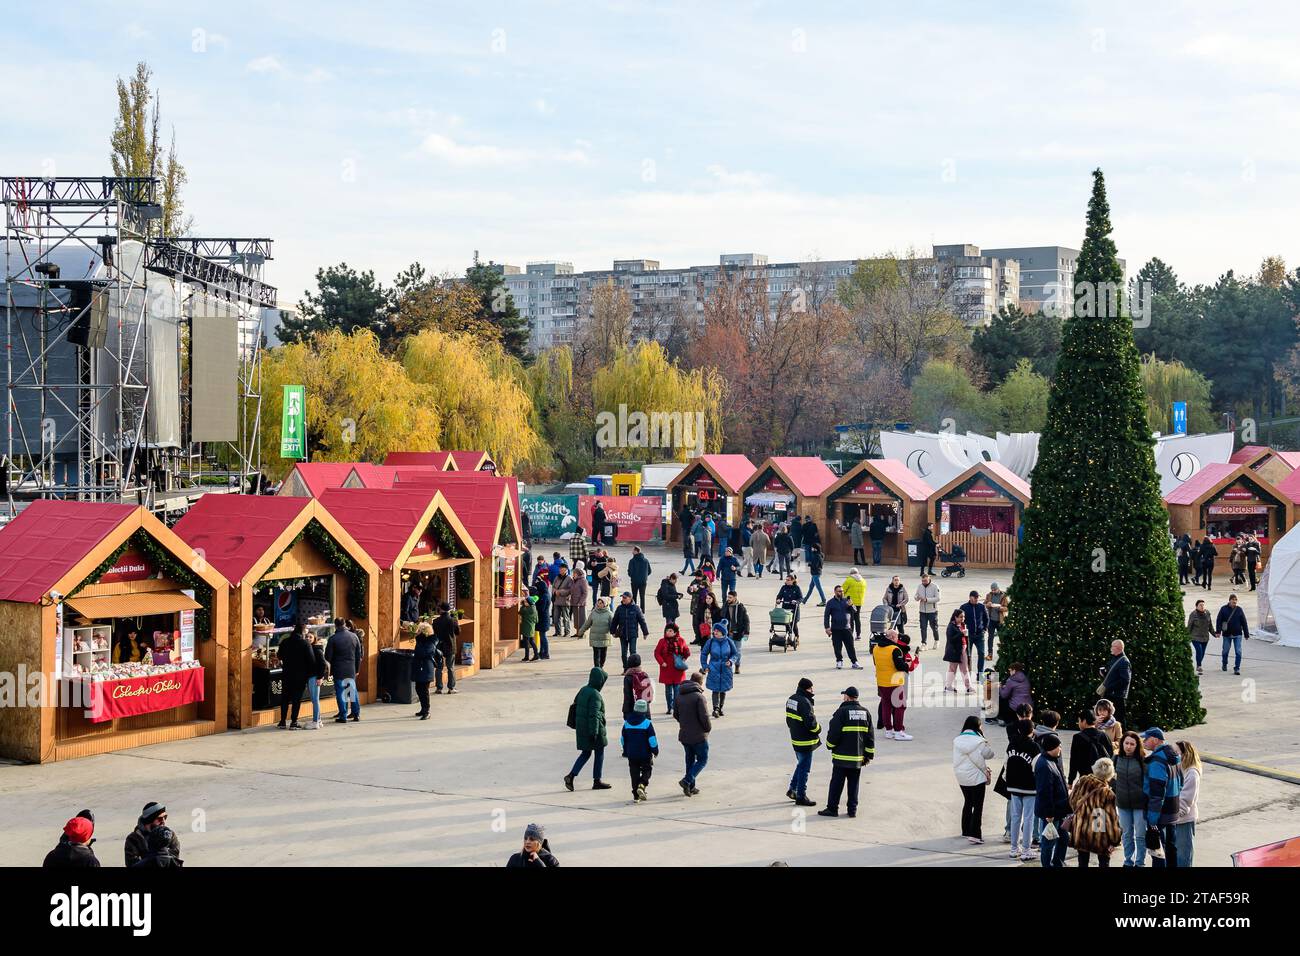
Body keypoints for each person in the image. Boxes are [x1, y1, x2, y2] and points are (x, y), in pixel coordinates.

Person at [817, 686, 875, 818]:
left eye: (844, 695)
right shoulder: (866, 713)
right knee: (854, 784)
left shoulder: (841, 712)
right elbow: (870, 737)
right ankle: (852, 810)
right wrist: (868, 755)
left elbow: (834, 733)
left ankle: (832, 809)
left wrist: (829, 745)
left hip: (841, 758)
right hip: (857, 758)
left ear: (847, 697)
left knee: (837, 783)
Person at [564, 667, 612, 792]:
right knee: (599, 752)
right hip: (592, 729)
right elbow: (594, 714)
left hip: (582, 728)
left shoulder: (583, 689)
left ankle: (571, 776)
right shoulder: (595, 695)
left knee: (586, 753)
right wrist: (594, 732)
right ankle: (597, 780)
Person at [1141, 728, 1183, 868]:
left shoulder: (1157, 762)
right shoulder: (1173, 757)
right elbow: (1181, 783)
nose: (1143, 741)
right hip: (1173, 812)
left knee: (1158, 852)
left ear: (1155, 740)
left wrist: (1152, 819)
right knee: (1171, 849)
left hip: (1160, 815)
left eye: (1146, 739)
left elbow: (1157, 795)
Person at [1070, 757, 1122, 867]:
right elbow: (1111, 819)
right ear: (1110, 774)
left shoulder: (1083, 781)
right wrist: (1114, 840)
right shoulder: (1108, 793)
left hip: (1081, 828)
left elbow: (1072, 801)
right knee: (1104, 861)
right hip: (1099, 832)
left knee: (1082, 861)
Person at [952, 715, 996, 844]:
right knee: (978, 806)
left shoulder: (957, 740)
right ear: (978, 726)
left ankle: (966, 831)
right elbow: (990, 754)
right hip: (976, 778)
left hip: (961, 776)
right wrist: (985, 740)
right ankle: (975, 835)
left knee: (968, 802)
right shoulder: (979, 741)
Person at [1005, 720, 1040, 861]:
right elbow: (1037, 768)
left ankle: (1014, 849)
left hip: (1013, 785)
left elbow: (1006, 763)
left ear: (1019, 730)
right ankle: (1026, 850)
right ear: (1032, 731)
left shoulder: (1011, 744)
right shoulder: (1034, 747)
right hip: (1029, 787)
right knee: (1028, 818)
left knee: (1015, 818)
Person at [1033, 734, 1071, 867]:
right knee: (1049, 841)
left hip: (1059, 810)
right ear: (1051, 747)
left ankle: (1058, 862)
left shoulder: (1052, 760)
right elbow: (1044, 791)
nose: (1060, 748)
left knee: (1064, 838)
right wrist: (1049, 814)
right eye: (1058, 746)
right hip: (1052, 812)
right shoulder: (1044, 764)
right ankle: (1047, 865)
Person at [785, 677, 821, 807]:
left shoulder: (791, 699)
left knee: (800, 764)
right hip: (806, 741)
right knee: (805, 768)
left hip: (795, 737)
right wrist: (819, 729)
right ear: (806, 688)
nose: (812, 690)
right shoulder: (805, 702)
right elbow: (811, 723)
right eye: (811, 688)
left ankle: (792, 789)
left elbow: (788, 720)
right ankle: (801, 795)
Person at [1114, 731, 1148, 866]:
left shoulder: (1142, 760)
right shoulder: (1116, 758)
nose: (1128, 746)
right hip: (1122, 804)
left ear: (1137, 745)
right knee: (1127, 835)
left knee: (1140, 835)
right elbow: (1111, 778)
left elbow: (1147, 782)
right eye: (1126, 743)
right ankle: (1128, 861)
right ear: (1122, 744)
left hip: (1139, 804)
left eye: (1132, 744)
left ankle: (1140, 862)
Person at [675, 671, 712, 796]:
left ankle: (690, 787)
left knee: (689, 760)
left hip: (685, 734)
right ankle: (687, 781)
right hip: (698, 735)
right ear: (700, 683)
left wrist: (684, 723)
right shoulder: (699, 697)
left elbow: (676, 714)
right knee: (702, 759)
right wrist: (707, 728)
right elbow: (705, 716)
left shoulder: (679, 694)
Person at [872, 628, 913, 740]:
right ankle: (899, 731)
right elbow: (900, 666)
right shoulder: (895, 649)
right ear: (892, 638)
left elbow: (876, 663)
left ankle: (889, 731)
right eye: (896, 637)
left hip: (881, 682)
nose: (897, 639)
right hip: (894, 682)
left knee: (886, 705)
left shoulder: (876, 648)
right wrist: (907, 665)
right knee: (900, 706)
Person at [620, 699, 659, 802]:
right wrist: (655, 750)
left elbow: (623, 739)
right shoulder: (647, 723)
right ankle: (642, 784)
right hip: (645, 753)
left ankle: (635, 795)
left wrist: (625, 750)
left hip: (632, 754)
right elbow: (652, 740)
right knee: (647, 769)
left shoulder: (627, 723)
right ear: (645, 710)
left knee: (634, 773)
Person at [276, 623, 315, 730]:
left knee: (285, 698)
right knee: (296, 699)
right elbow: (311, 660)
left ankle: (282, 721)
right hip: (300, 676)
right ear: (303, 632)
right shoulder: (305, 644)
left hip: (287, 673)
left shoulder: (285, 642)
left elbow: (279, 655)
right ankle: (294, 722)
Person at [325, 617, 362, 723]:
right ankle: (356, 714)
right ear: (345, 624)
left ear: (335, 625)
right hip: (351, 669)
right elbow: (358, 655)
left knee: (341, 693)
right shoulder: (354, 636)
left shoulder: (333, 639)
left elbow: (328, 657)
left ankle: (343, 715)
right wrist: (357, 669)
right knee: (352, 692)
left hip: (338, 670)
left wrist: (328, 671)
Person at [701, 620, 739, 717]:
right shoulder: (710, 642)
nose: (715, 632)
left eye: (717, 631)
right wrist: (705, 666)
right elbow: (704, 654)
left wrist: (731, 661)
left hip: (726, 669)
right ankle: (716, 709)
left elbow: (735, 654)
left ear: (723, 632)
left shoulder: (729, 642)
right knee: (715, 689)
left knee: (723, 689)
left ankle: (721, 708)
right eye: (714, 631)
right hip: (714, 668)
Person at [124, 802, 181, 867]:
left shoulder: (169, 835)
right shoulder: (133, 839)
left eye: (165, 817)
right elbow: (131, 864)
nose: (163, 821)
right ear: (149, 820)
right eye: (159, 819)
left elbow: (175, 857)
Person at [1174, 740, 1202, 867]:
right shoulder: (1178, 768)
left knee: (1183, 856)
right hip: (1174, 819)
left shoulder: (1192, 773)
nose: (1174, 755)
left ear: (1185, 754)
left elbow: (1186, 799)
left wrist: (1175, 816)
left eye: (1176, 752)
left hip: (1184, 820)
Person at [1068, 708, 1115, 784]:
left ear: (1084, 721)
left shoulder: (1078, 737)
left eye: (1079, 720)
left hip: (1086, 778)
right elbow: (1111, 755)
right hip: (1102, 778)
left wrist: (1070, 780)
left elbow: (1074, 761)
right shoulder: (1103, 735)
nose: (1079, 723)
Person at [653, 623, 690, 715]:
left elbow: (687, 651)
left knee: (677, 690)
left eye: (670, 631)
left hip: (677, 670)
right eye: (667, 630)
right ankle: (669, 707)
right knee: (668, 691)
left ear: (675, 632)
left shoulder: (681, 640)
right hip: (667, 669)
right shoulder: (662, 641)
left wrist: (684, 658)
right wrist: (662, 662)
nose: (667, 632)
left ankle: (676, 707)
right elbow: (657, 653)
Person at [824, 584, 861, 670]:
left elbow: (855, 611)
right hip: (836, 628)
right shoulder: (830, 603)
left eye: (842, 591)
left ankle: (854, 662)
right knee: (837, 646)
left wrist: (851, 605)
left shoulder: (847, 601)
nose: (841, 592)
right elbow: (826, 616)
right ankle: (839, 661)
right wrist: (827, 627)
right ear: (835, 592)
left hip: (846, 628)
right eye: (839, 591)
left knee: (850, 646)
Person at [611, 591, 649, 670]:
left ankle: (634, 669)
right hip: (622, 634)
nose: (623, 599)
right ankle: (626, 669)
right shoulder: (619, 608)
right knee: (624, 654)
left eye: (625, 598)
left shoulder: (636, 608)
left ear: (630, 598)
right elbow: (615, 620)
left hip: (633, 634)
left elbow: (642, 620)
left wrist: (645, 632)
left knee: (633, 652)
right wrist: (613, 631)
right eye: (622, 597)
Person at [1098, 639, 1131, 726]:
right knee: (1109, 719)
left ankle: (1122, 738)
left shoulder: (1124, 661)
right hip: (1111, 694)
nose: (1111, 648)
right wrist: (1104, 673)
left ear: (1119, 648)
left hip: (1117, 696)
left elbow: (1125, 680)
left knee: (1119, 720)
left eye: (1112, 646)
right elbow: (1114, 676)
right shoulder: (1115, 658)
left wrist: (1110, 687)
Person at [1215, 593, 1250, 675]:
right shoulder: (1223, 609)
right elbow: (1219, 620)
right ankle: (1224, 663)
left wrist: (1246, 634)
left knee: (1238, 651)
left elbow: (1244, 622)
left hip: (1238, 634)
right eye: (1233, 599)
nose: (1234, 601)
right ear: (1229, 600)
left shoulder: (1239, 609)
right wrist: (1218, 631)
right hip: (1227, 634)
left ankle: (1237, 668)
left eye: (1235, 600)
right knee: (1225, 651)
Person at [578, 596, 614, 669]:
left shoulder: (609, 614)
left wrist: (615, 633)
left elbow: (612, 626)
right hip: (595, 638)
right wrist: (581, 631)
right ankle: (597, 668)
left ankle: (601, 666)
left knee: (603, 655)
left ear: (605, 604)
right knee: (596, 654)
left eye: (601, 603)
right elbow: (587, 623)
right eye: (598, 603)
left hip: (604, 638)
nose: (599, 604)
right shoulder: (593, 613)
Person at [943, 607, 973, 694]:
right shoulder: (951, 626)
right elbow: (951, 639)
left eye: (963, 617)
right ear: (955, 617)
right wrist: (961, 633)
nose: (962, 618)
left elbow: (965, 638)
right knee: (952, 669)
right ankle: (948, 687)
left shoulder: (963, 625)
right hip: (954, 651)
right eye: (960, 617)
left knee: (965, 669)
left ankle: (968, 687)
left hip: (963, 650)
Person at [432, 602, 460, 694]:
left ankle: (439, 688)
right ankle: (451, 688)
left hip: (439, 646)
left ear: (441, 609)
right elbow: (458, 632)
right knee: (450, 667)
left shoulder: (435, 622)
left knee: (439, 668)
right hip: (450, 646)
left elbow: (434, 633)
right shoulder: (453, 620)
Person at [411, 621, 437, 720]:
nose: (417, 632)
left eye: (419, 630)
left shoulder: (430, 641)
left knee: (424, 690)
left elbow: (422, 653)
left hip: (426, 668)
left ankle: (427, 711)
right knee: (419, 688)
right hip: (421, 667)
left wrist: (419, 640)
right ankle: (423, 708)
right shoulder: (422, 641)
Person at [722, 589, 750, 674]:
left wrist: (746, 632)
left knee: (737, 651)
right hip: (728, 633)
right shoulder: (726, 605)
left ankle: (737, 666)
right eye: (728, 597)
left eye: (730, 597)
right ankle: (728, 666)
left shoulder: (740, 607)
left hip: (738, 633)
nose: (728, 599)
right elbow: (722, 615)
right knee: (727, 651)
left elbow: (746, 620)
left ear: (735, 598)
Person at [963, 590, 989, 675]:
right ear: (970, 597)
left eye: (978, 597)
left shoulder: (981, 607)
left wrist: (984, 629)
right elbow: (959, 620)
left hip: (979, 635)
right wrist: (963, 631)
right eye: (975, 597)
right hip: (968, 636)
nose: (977, 599)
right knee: (968, 655)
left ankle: (980, 674)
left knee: (981, 653)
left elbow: (986, 619)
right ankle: (968, 673)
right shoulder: (964, 607)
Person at [622, 653, 653, 718]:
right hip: (645, 709)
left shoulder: (628, 677)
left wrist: (625, 711)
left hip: (632, 709)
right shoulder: (645, 675)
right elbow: (649, 693)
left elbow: (627, 696)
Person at [1187, 598, 1213, 676]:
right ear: (1196, 606)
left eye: (1203, 605)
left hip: (1205, 637)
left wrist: (1214, 634)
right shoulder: (1193, 614)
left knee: (1202, 653)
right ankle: (1199, 666)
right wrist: (1187, 637)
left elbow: (1210, 625)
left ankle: (1198, 665)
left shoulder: (1207, 613)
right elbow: (1189, 626)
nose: (1202, 606)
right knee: (1199, 651)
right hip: (1195, 637)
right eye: (1200, 605)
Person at [531, 571, 553, 660]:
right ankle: (542, 652)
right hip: (544, 619)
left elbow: (541, 608)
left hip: (543, 619)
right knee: (542, 636)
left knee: (543, 637)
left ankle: (546, 653)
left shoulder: (544, 596)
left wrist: (535, 605)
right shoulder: (545, 594)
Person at [914, 574, 940, 647]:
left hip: (932, 611)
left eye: (925, 581)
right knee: (923, 627)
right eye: (922, 581)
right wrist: (917, 598)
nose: (924, 582)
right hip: (922, 611)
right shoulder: (920, 586)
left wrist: (927, 600)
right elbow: (916, 595)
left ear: (929, 579)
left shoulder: (935, 586)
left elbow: (938, 598)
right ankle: (924, 643)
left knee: (934, 627)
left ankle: (936, 640)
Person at [775, 573, 803, 638]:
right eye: (786, 580)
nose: (786, 581)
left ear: (793, 581)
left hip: (794, 609)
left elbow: (801, 598)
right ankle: (788, 637)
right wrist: (778, 599)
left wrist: (796, 601)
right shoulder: (784, 587)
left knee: (793, 624)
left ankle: (797, 637)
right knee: (787, 624)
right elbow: (779, 595)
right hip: (785, 608)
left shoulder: (797, 588)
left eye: (788, 580)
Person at [984, 583, 1008, 658]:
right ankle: (990, 653)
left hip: (1000, 620)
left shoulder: (1003, 596)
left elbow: (1007, 607)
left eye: (994, 590)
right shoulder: (989, 595)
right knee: (990, 637)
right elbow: (983, 604)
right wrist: (987, 604)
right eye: (992, 590)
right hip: (991, 620)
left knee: (1001, 637)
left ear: (998, 588)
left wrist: (1001, 608)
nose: (993, 591)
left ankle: (1003, 653)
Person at [568, 560, 589, 637]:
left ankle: (582, 633)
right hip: (574, 603)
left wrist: (580, 602)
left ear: (578, 574)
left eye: (574, 573)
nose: (573, 575)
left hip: (581, 604)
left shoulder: (583, 581)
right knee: (576, 620)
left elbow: (585, 593)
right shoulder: (574, 581)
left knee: (581, 619)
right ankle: (577, 632)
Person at [552, 565, 574, 638]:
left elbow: (570, 590)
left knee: (566, 618)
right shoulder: (557, 577)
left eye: (563, 570)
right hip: (556, 600)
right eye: (560, 569)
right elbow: (553, 586)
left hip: (565, 601)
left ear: (566, 570)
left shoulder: (569, 578)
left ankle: (567, 632)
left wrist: (560, 592)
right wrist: (554, 591)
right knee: (556, 618)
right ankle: (558, 632)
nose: (561, 571)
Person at [843, 567, 866, 637]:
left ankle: (851, 634)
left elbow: (842, 590)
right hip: (859, 602)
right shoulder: (863, 580)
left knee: (851, 618)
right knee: (857, 618)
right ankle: (858, 634)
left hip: (850, 602)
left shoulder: (849, 580)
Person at [627, 546, 652, 610]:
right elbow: (649, 571)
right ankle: (642, 610)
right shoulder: (646, 560)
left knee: (634, 596)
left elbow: (630, 572)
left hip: (634, 581)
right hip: (643, 581)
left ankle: (634, 609)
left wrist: (632, 576)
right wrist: (644, 576)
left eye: (633, 550)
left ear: (636, 551)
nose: (632, 552)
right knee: (642, 596)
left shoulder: (632, 561)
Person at [519, 594, 539, 662]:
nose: (524, 603)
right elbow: (537, 620)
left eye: (525, 602)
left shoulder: (526, 610)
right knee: (532, 642)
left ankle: (526, 656)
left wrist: (522, 605)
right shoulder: (534, 608)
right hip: (531, 628)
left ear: (529, 603)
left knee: (526, 643)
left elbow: (520, 611)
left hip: (526, 628)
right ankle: (536, 655)